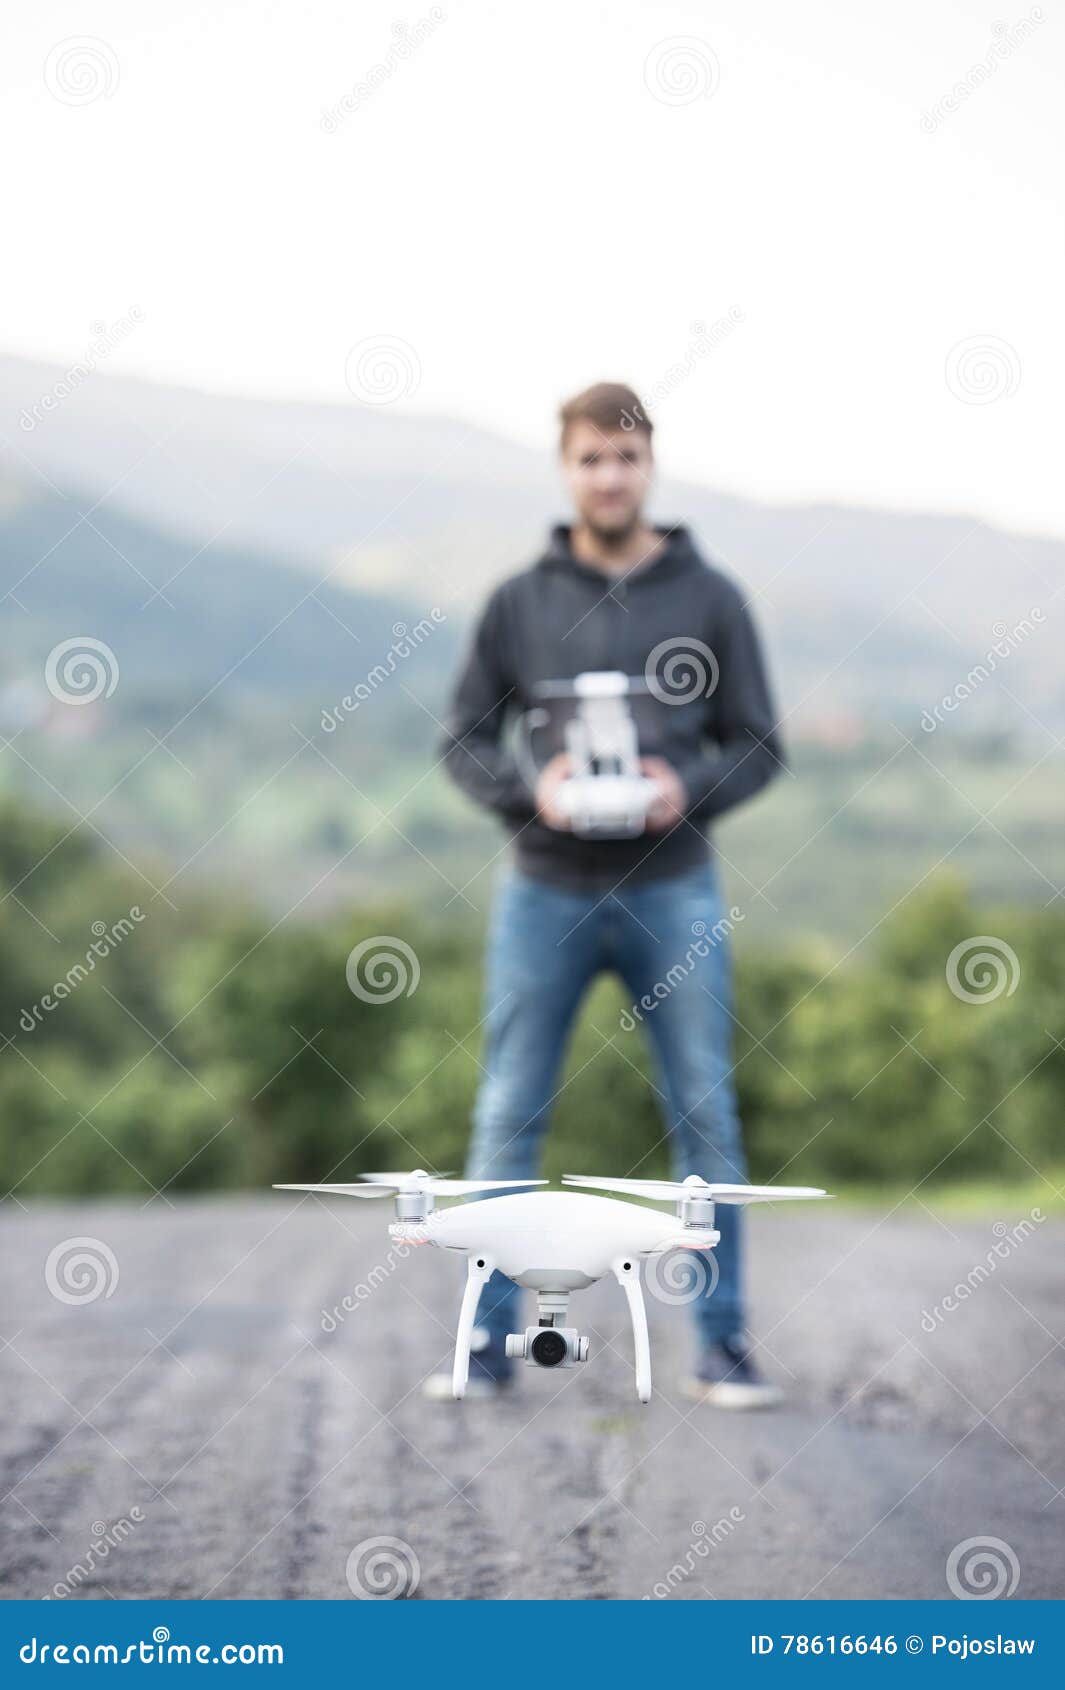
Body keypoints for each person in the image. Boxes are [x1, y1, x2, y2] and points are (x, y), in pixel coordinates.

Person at [427, 381, 785, 1407]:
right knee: (507, 1114)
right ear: (566, 467)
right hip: (543, 891)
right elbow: (460, 740)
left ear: (651, 465)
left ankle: (724, 1345)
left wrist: (692, 788)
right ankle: (485, 1344)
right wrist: (525, 792)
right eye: (591, 458)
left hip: (675, 890)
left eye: (625, 458)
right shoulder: (517, 602)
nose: (610, 475)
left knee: (706, 1113)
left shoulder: (710, 597)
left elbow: (760, 744)